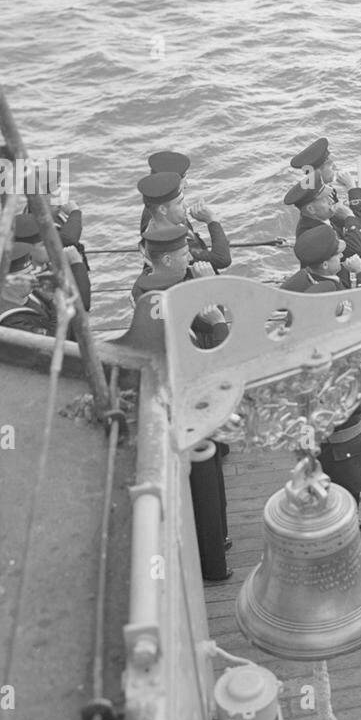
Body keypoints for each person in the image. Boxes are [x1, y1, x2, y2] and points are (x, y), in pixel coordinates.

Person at [132, 221, 232, 583]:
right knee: (205, 486)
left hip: (187, 397)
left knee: (211, 481)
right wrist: (218, 321)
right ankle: (214, 563)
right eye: (186, 253)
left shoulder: (148, 290)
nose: (191, 256)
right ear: (172, 258)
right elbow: (215, 351)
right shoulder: (173, 301)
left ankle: (218, 541)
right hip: (192, 402)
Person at [277, 225, 361, 517]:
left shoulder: (294, 285)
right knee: (347, 468)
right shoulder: (330, 296)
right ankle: (346, 520)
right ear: (325, 264)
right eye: (337, 255)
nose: (342, 255)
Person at [137, 167, 232, 272]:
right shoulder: (169, 242)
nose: (186, 205)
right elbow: (222, 259)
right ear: (163, 209)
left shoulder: (159, 211)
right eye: (179, 202)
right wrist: (212, 220)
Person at [284, 169, 361, 262]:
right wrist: (349, 216)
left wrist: (352, 188)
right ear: (311, 209)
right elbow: (355, 250)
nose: (331, 201)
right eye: (324, 200)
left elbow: (360, 220)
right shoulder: (313, 234)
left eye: (329, 197)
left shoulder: (320, 216)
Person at [14, 211, 91, 311]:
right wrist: (76, 264)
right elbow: (81, 305)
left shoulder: (19, 269)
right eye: (44, 244)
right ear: (26, 249)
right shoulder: (35, 281)